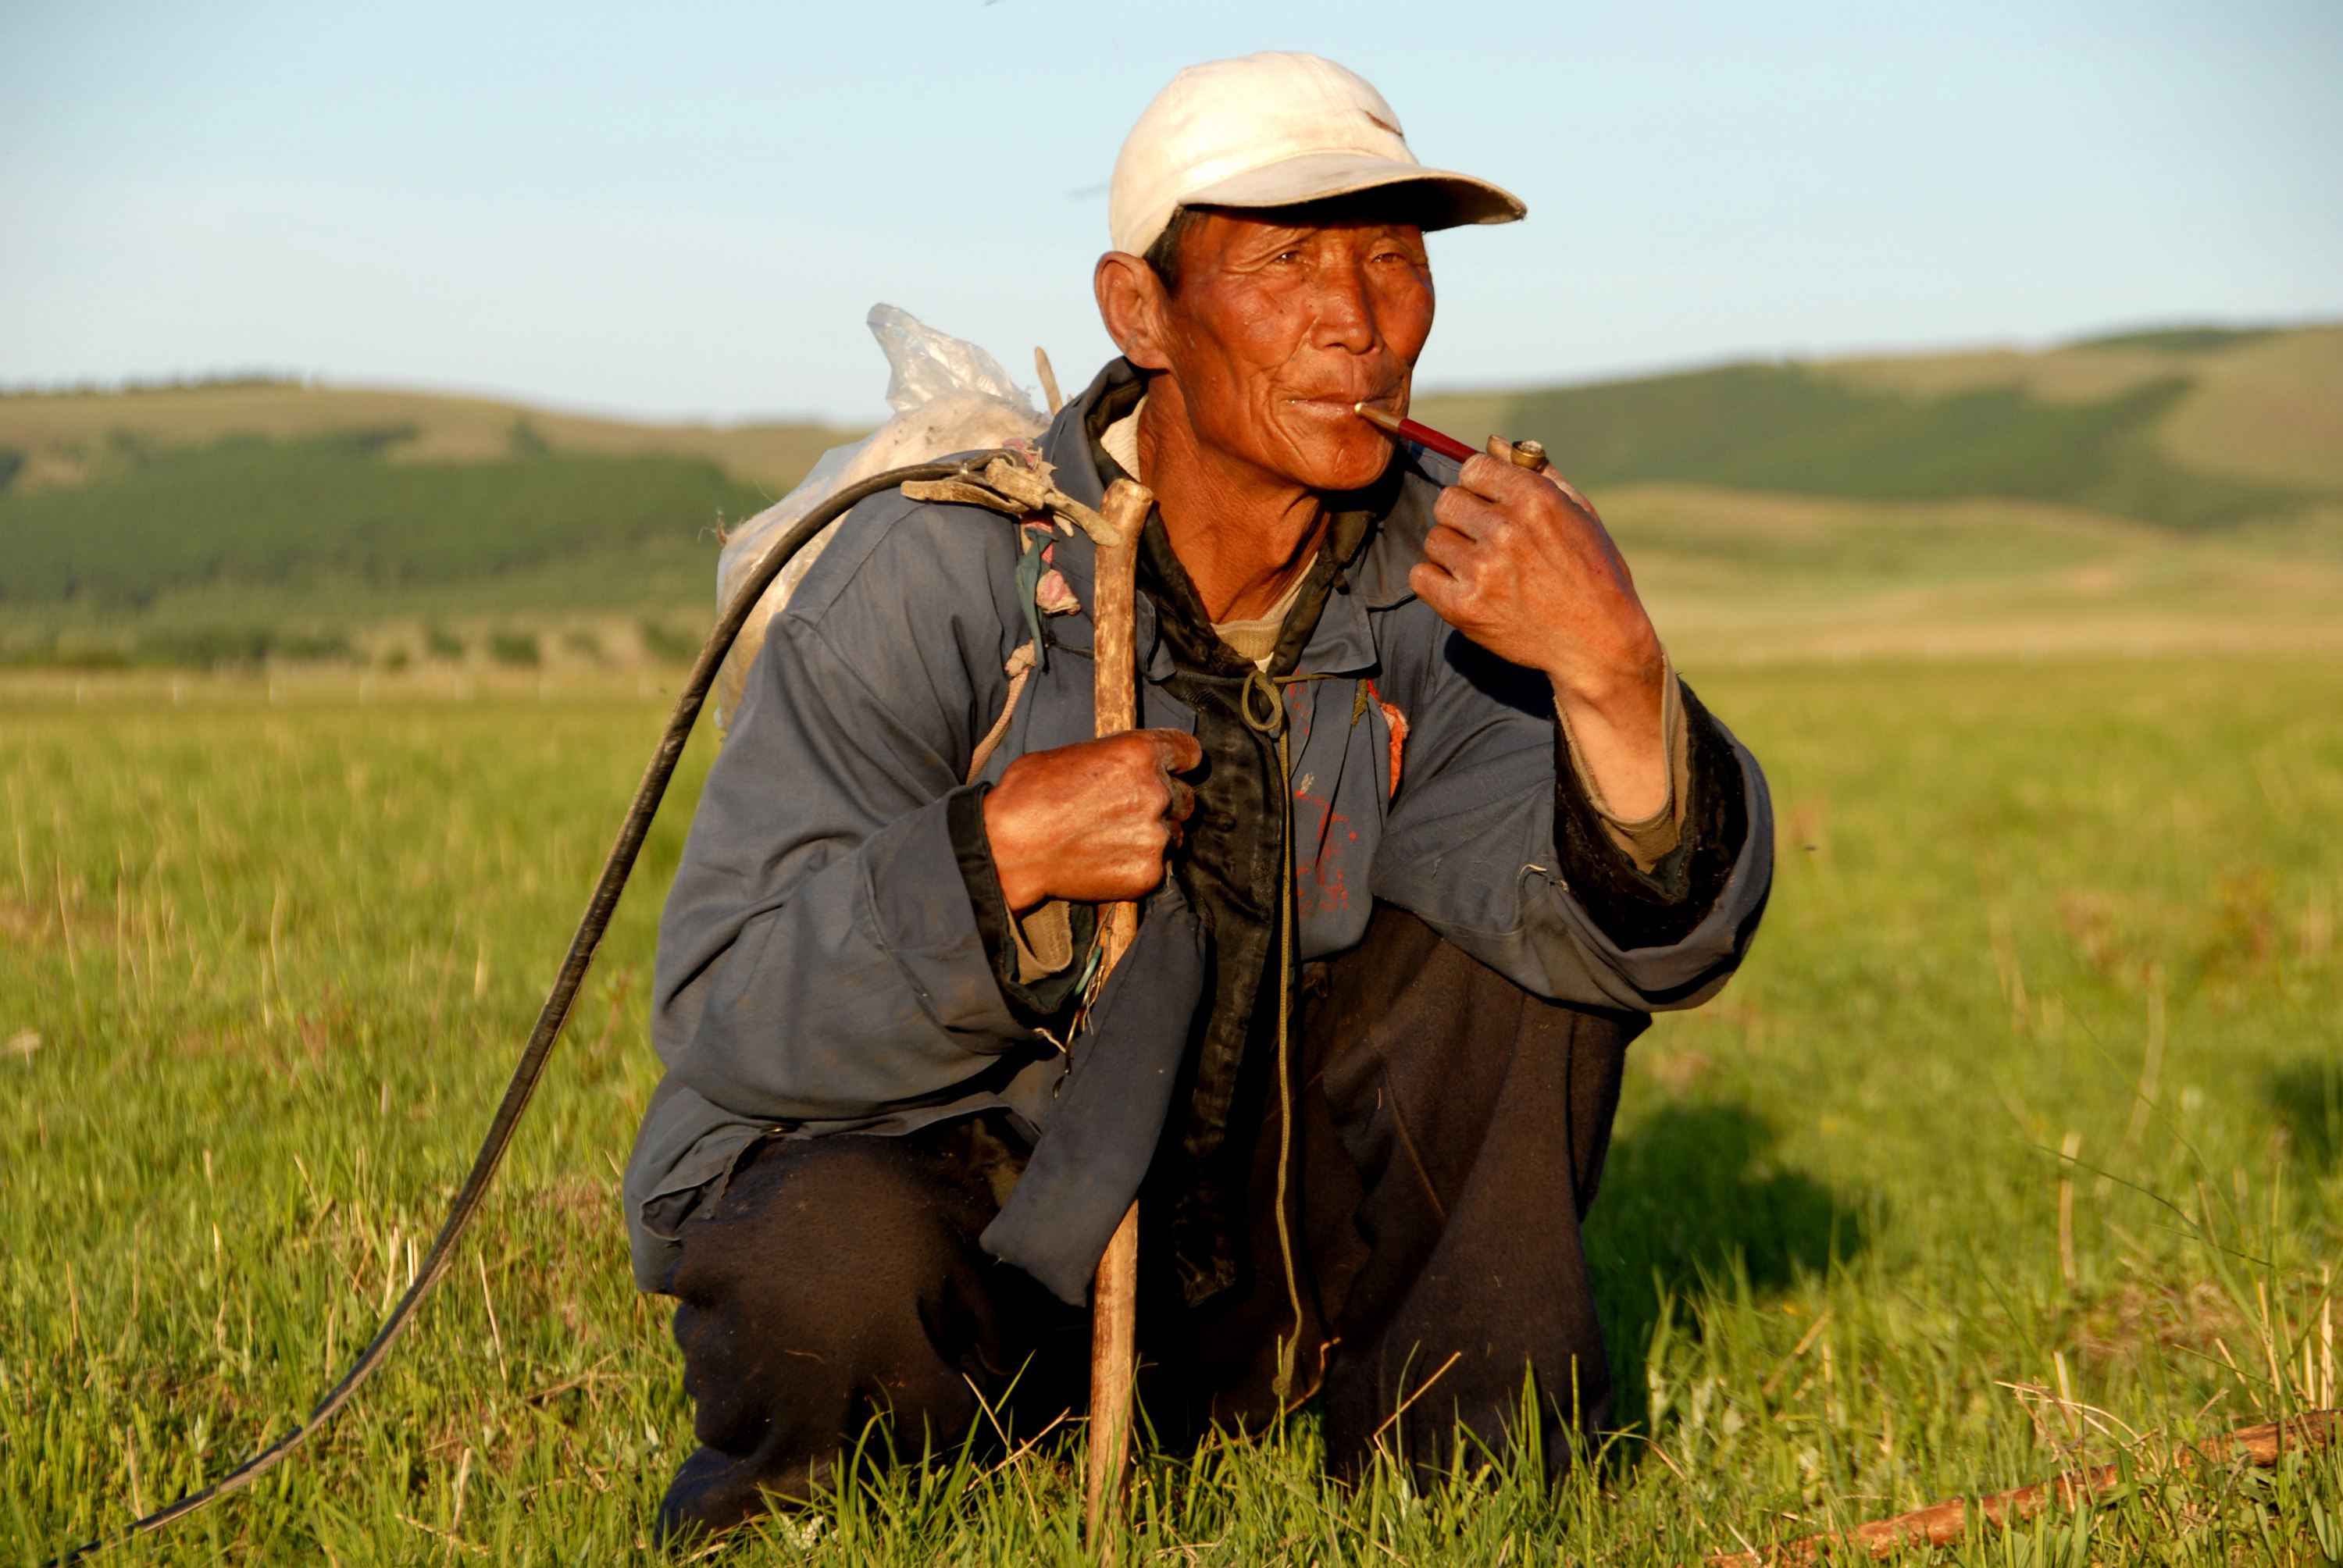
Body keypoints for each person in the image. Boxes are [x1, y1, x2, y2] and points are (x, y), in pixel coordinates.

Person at [623, 51, 1773, 1539]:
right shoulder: (934, 574)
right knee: (827, 1261)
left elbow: (1622, 944)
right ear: (1140, 311)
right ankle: (845, 1511)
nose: (1357, 323)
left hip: (1277, 1273)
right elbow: (728, 1008)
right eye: (1286, 260)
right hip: (992, 1259)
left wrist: (1613, 673)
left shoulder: (1450, 586)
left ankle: (1468, 1496)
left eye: (1392, 260)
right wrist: (995, 863)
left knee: (1524, 953)